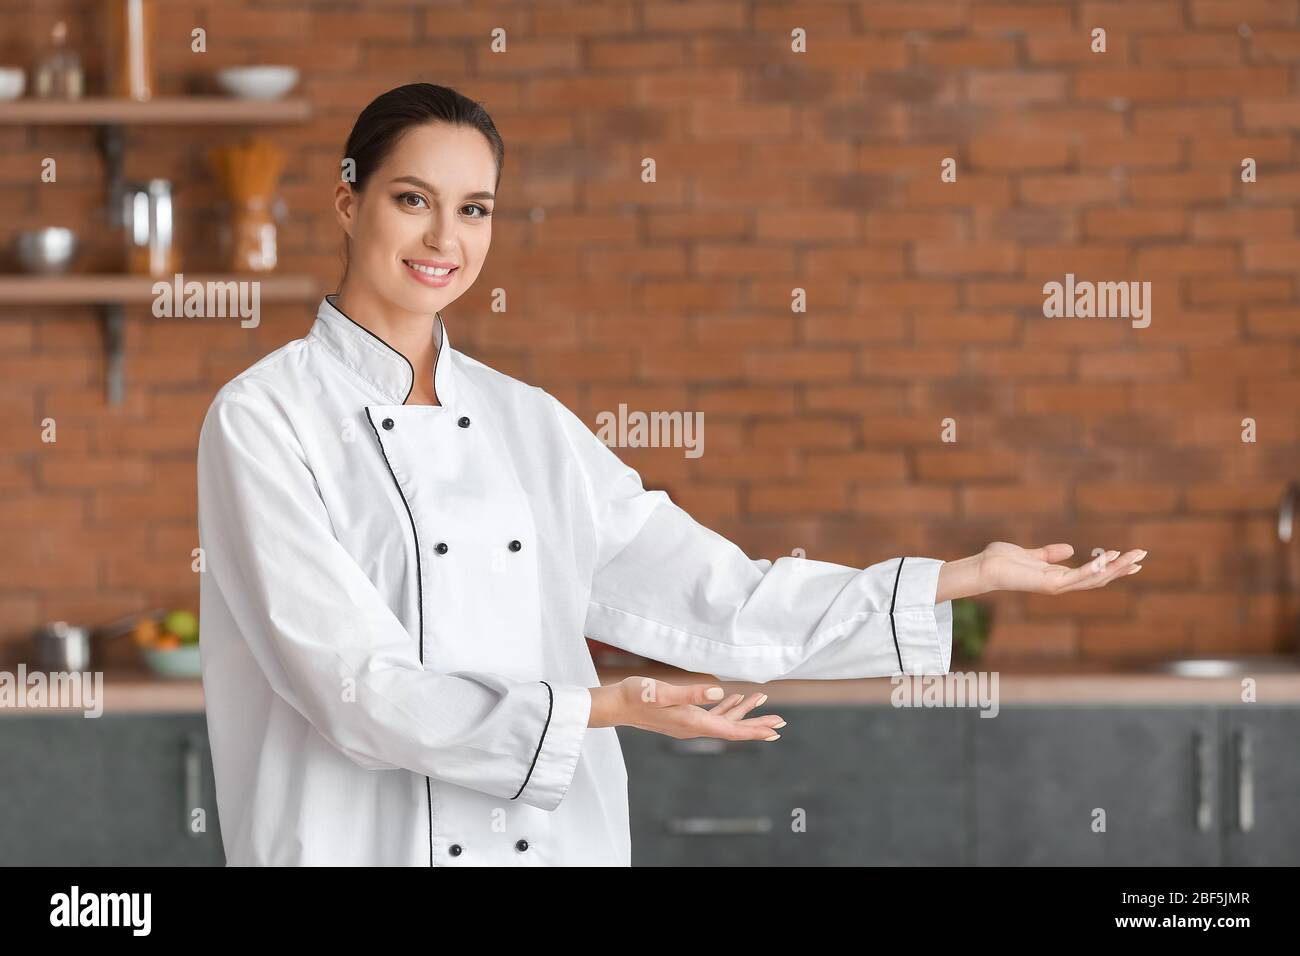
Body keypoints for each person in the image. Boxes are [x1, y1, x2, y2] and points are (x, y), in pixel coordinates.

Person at [196, 83, 1146, 866]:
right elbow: (350, 683)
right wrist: (604, 709)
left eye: (474, 208)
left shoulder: (530, 423)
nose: (446, 238)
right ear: (347, 201)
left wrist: (956, 577)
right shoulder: (265, 418)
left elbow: (714, 595)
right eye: (414, 199)